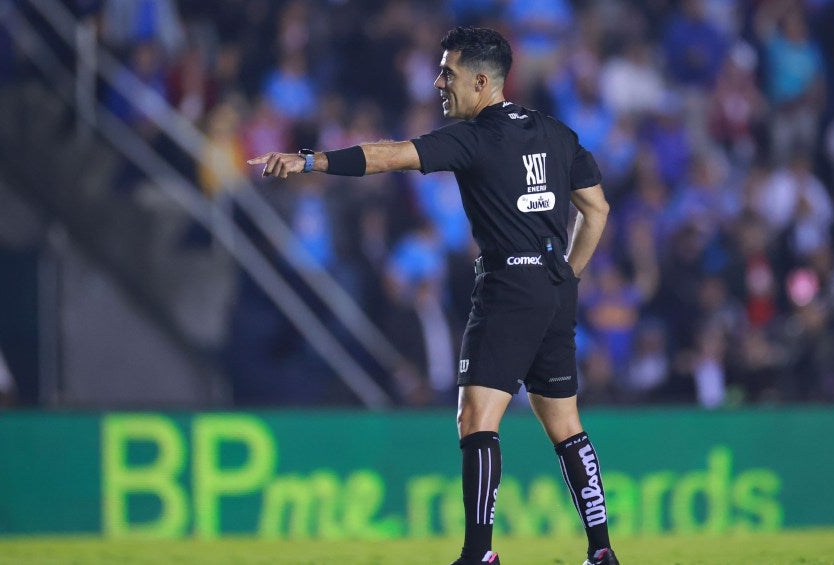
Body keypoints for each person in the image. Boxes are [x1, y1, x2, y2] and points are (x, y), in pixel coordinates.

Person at [247, 26, 619, 565]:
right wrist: (568, 276)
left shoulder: (474, 137)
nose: (438, 81)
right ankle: (602, 549)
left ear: (482, 81)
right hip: (552, 289)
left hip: (508, 287)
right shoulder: (555, 132)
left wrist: (311, 161)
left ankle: (478, 556)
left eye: (448, 72)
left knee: (476, 417)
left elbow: (390, 156)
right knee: (566, 423)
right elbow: (598, 209)